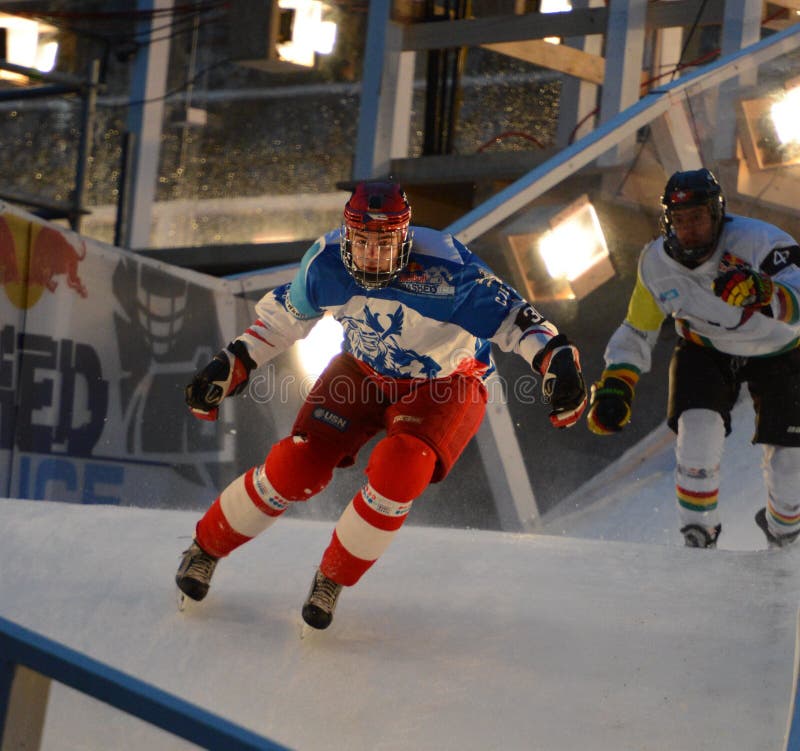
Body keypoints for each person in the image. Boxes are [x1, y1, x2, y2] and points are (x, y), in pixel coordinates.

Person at [176, 180, 588, 629]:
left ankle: (333, 577)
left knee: (402, 466)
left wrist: (557, 361)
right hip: (363, 369)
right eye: (363, 242)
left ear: (405, 239)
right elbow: (284, 321)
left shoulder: (447, 268)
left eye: (384, 243)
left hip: (447, 382)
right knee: (297, 464)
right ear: (346, 235)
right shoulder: (325, 262)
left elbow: (516, 320)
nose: (372, 255)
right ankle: (205, 548)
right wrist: (233, 361)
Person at [586, 168, 800, 549]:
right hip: (705, 348)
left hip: (781, 348)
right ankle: (698, 536)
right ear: (667, 220)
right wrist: (617, 383)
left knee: (791, 466)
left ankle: (786, 538)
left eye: (697, 217)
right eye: (679, 220)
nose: (689, 229)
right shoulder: (654, 263)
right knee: (696, 434)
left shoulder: (761, 241)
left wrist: (766, 292)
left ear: (717, 213)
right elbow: (638, 328)